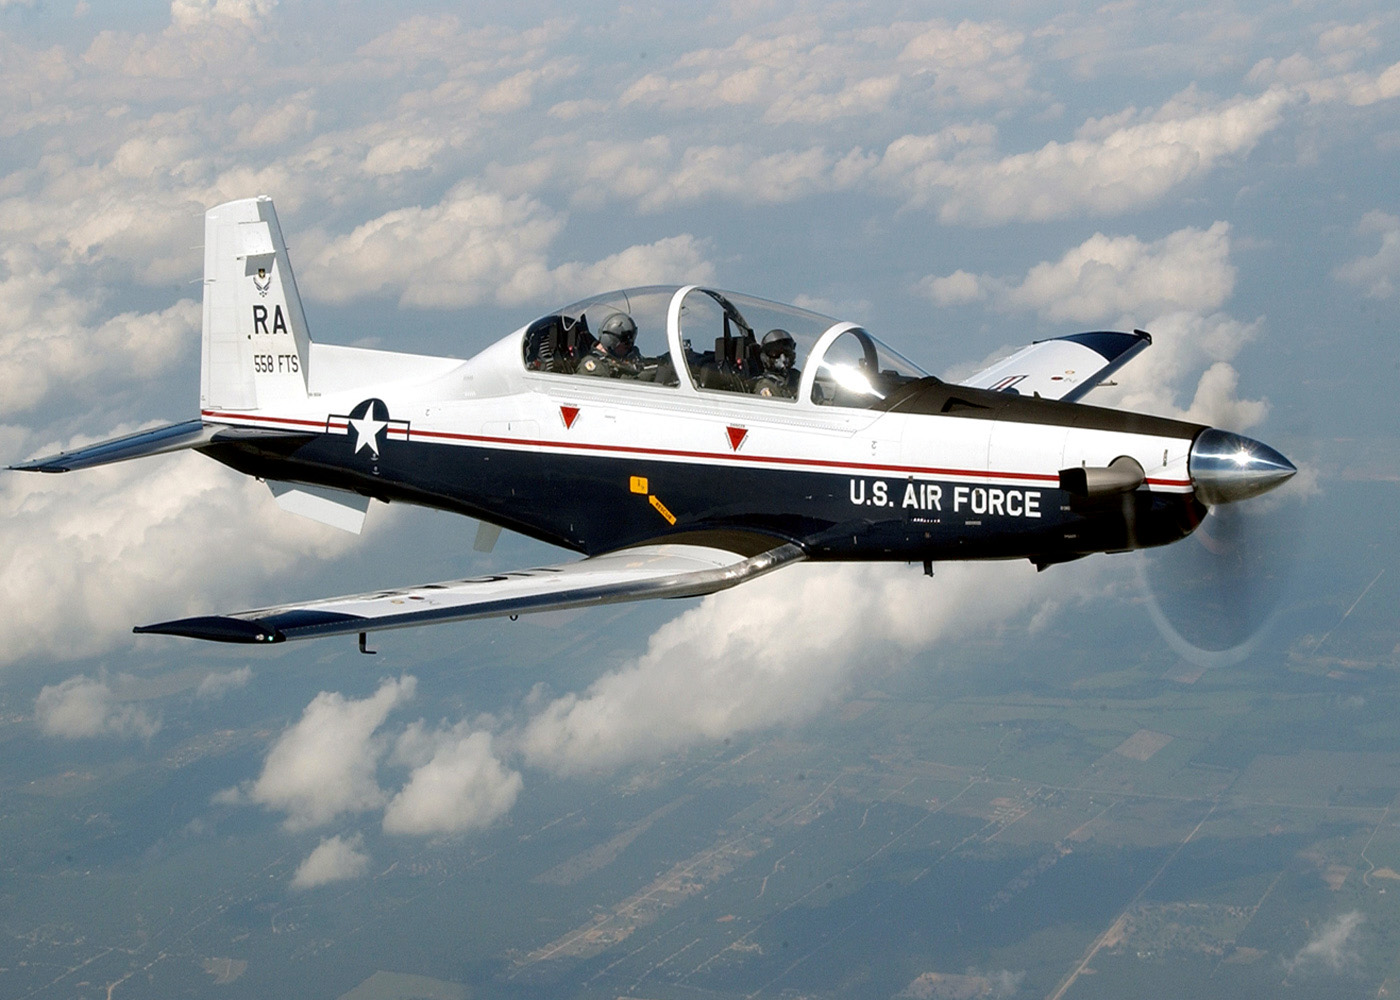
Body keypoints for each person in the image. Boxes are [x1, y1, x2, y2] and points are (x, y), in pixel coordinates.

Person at [577, 313, 643, 378]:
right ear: (611, 343)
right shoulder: (594, 365)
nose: (630, 349)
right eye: (626, 344)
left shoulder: (615, 361)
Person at [750, 329, 800, 398]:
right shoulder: (766, 385)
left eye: (787, 352)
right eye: (775, 352)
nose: (782, 357)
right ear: (764, 357)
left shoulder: (797, 377)